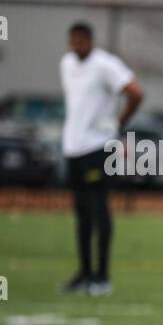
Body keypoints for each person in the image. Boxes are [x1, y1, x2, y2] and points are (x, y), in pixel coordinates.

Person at [58, 22, 143, 296]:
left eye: (80, 42)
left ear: (91, 41)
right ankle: (84, 274)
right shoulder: (67, 64)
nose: (76, 47)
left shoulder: (105, 64)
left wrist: (117, 124)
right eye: (72, 42)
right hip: (73, 147)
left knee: (99, 209)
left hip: (98, 147)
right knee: (81, 213)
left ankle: (102, 277)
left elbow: (135, 93)